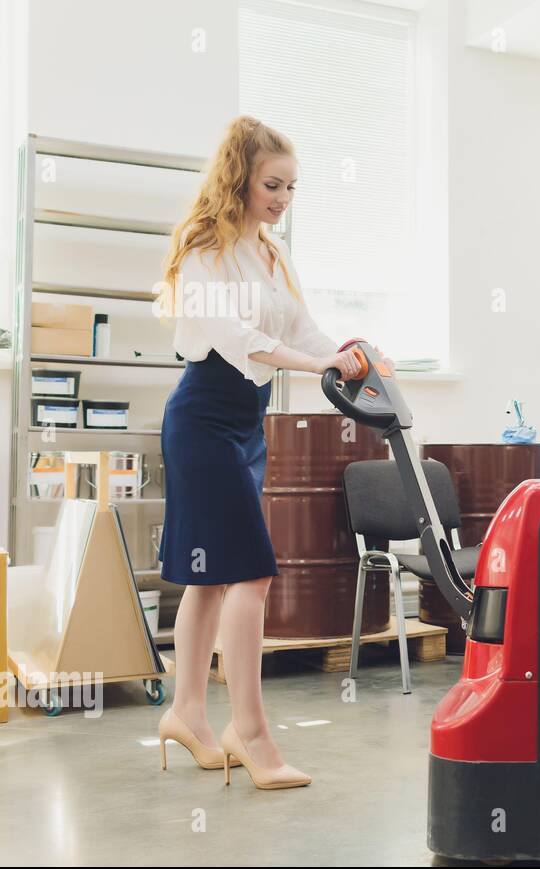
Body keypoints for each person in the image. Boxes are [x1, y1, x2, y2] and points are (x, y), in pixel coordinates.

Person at [154, 116, 363, 789]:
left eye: (292, 187)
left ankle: (187, 712)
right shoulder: (203, 251)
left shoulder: (273, 255)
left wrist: (348, 356)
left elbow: (305, 327)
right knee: (252, 571)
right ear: (239, 176)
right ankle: (251, 733)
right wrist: (314, 363)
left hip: (247, 423)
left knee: (213, 575)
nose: (282, 197)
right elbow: (237, 337)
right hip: (203, 419)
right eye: (273, 184)